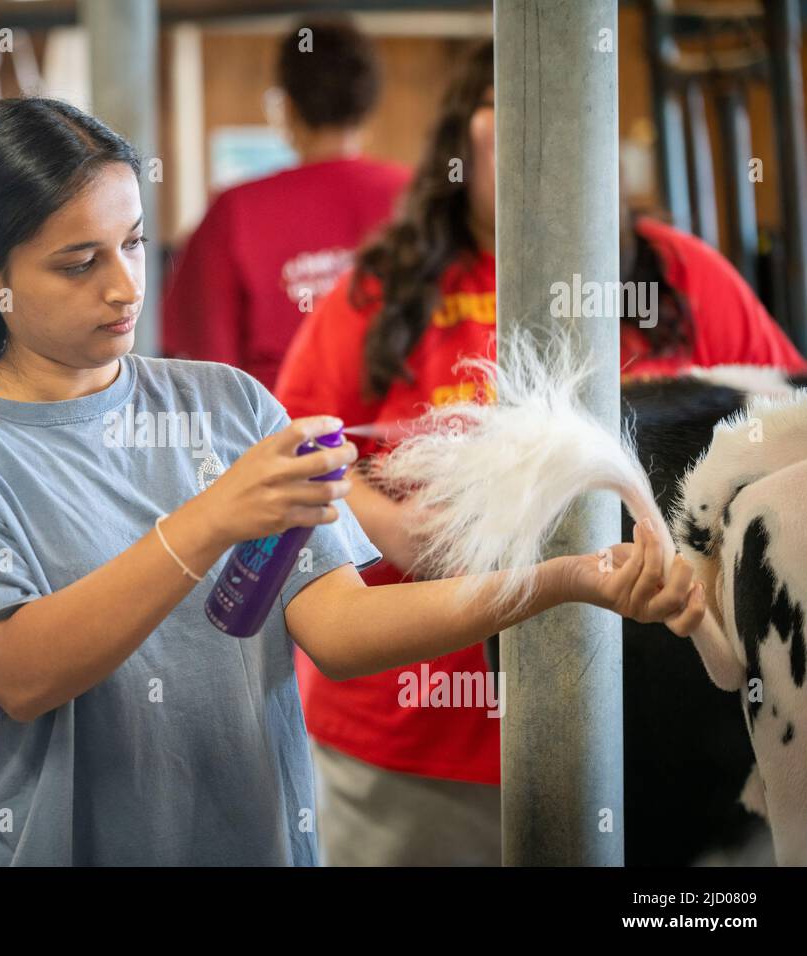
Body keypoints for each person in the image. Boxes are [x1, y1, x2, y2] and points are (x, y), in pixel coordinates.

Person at [0, 95, 705, 867]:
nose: (125, 286)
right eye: (79, 262)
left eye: (130, 242)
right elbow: (19, 675)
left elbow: (340, 629)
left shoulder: (228, 402)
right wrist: (209, 522)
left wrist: (562, 581)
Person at [273, 40, 807, 867]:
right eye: (504, 103)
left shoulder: (681, 276)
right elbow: (293, 451)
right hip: (417, 737)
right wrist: (383, 520)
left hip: (658, 738)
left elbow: (790, 432)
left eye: (568, 108)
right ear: (462, 133)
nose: (539, 130)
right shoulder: (378, 293)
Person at [161, 17, 410, 390]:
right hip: (411, 436)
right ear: (367, 104)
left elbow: (201, 368)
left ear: (288, 106)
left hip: (281, 437)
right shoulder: (418, 196)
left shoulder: (237, 211)